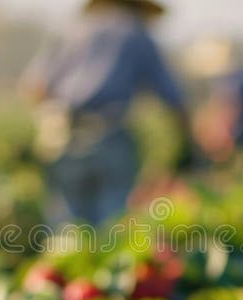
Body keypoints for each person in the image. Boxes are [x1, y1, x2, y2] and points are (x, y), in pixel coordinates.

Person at [20, 0, 191, 226]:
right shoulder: (136, 35)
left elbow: (34, 88)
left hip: (63, 139)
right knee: (111, 229)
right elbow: (173, 98)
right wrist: (187, 144)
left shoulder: (70, 31)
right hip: (111, 137)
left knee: (66, 232)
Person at [187, 38, 243, 161]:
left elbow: (230, 111)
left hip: (241, 136)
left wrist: (220, 135)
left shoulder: (230, 81)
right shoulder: (233, 78)